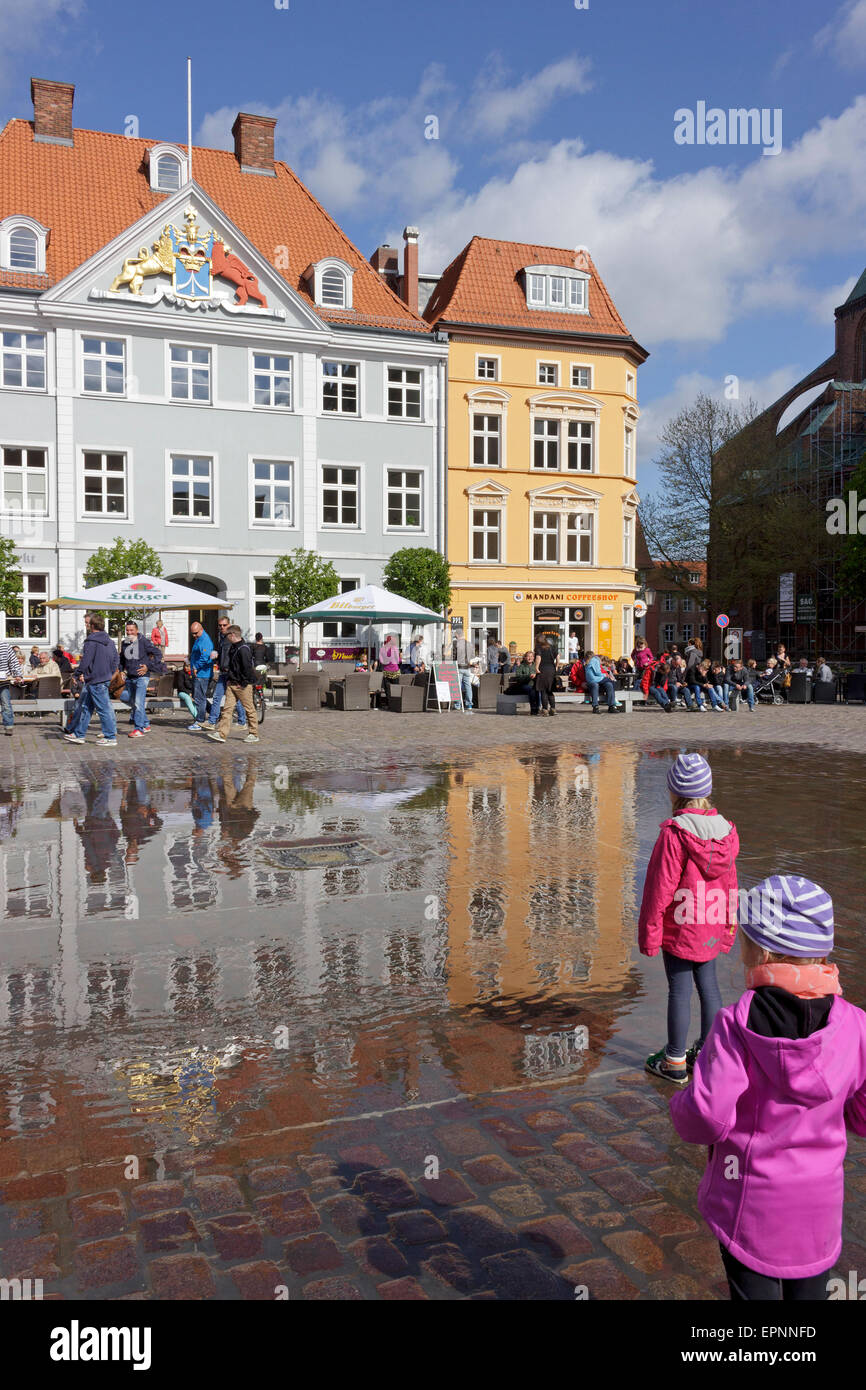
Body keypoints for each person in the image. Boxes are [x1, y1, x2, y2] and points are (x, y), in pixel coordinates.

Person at [670, 874, 866, 1302]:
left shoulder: (735, 1025)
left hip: (749, 1207)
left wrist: (679, 1103)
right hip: (819, 1210)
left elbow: (706, 1116)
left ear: (758, 950)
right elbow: (863, 1115)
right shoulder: (856, 1024)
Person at [638, 753, 739, 1084]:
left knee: (679, 991)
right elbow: (731, 888)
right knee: (709, 987)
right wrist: (728, 929)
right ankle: (708, 1055)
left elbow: (659, 888)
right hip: (710, 925)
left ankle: (675, 1061)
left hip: (681, 928)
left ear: (674, 792)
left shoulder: (674, 834)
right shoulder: (725, 832)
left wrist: (650, 934)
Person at [64, 614, 120, 746]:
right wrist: (109, 673)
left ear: (93, 625)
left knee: (103, 709)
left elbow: (86, 660)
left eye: (88, 624)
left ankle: (110, 737)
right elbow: (115, 660)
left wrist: (77, 674)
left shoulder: (91, 641)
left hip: (95, 680)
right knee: (86, 707)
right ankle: (79, 734)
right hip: (101, 678)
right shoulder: (110, 641)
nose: (86, 625)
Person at [206, 625, 259, 744]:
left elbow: (247, 669)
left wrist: (243, 683)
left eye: (227, 635)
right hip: (232, 683)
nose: (226, 638)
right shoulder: (233, 647)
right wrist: (230, 678)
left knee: (249, 709)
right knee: (227, 709)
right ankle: (221, 733)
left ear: (232, 635)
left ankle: (253, 733)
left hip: (242, 685)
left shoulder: (244, 649)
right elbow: (232, 666)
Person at [118, 620, 163, 737]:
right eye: (127, 630)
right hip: (130, 678)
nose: (129, 632)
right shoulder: (125, 643)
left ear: (137, 630)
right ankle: (146, 724)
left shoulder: (144, 642)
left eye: (132, 630)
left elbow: (158, 654)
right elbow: (122, 659)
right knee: (132, 702)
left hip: (142, 678)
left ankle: (139, 729)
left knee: (138, 703)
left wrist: (148, 666)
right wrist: (122, 670)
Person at [208, 616, 247, 731]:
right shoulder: (221, 638)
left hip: (231, 673)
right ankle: (212, 721)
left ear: (229, 625)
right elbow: (223, 655)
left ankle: (242, 721)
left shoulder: (233, 639)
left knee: (237, 699)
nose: (222, 627)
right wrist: (216, 657)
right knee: (216, 697)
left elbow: (238, 657)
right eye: (220, 625)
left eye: (224, 625)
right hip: (223, 672)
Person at [188, 621, 215, 731]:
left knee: (200, 699)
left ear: (201, 629)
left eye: (195, 633)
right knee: (201, 697)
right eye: (192, 633)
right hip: (198, 673)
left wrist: (195, 667)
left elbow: (205, 657)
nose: (194, 635)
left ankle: (200, 721)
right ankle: (215, 714)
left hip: (202, 674)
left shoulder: (205, 640)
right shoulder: (199, 639)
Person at [0, 638, 23, 737]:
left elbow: (13, 661)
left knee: (6, 704)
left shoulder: (5, 647)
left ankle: (9, 726)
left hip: (3, 681)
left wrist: (18, 674)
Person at [533, 636, 559, 715]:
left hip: (543, 669)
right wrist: (557, 666)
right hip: (551, 669)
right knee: (550, 690)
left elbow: (538, 657)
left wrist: (536, 667)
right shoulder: (551, 647)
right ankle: (553, 709)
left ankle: (545, 709)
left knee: (543, 690)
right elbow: (558, 656)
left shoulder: (538, 647)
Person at [453, 632, 474, 713]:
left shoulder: (456, 643)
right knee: (468, 686)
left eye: (455, 636)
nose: (455, 637)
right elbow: (472, 656)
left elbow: (454, 655)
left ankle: (458, 705)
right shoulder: (469, 644)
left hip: (458, 667)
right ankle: (469, 705)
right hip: (467, 667)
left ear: (458, 635)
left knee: (457, 686)